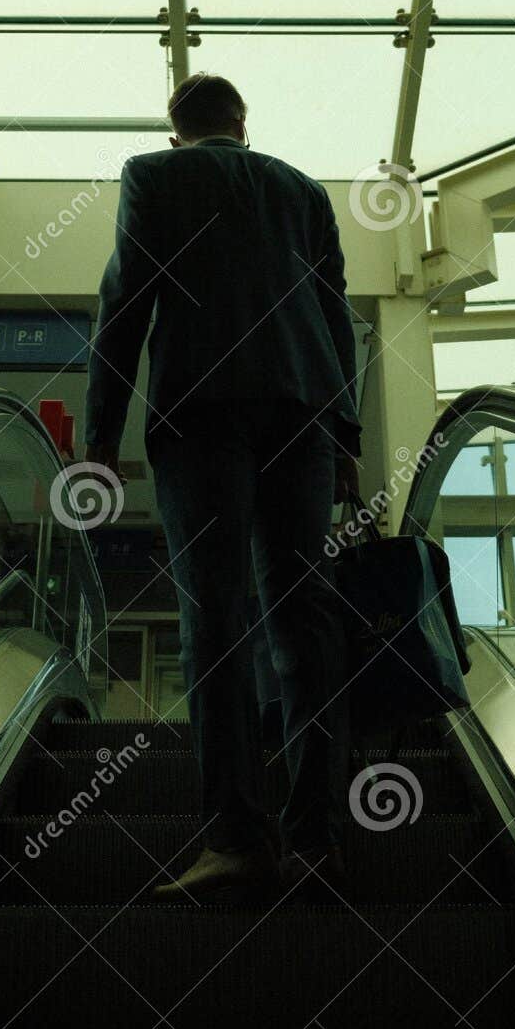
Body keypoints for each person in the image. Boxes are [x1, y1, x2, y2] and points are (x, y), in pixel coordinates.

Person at [84, 73, 360, 904]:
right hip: (304, 416)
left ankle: (239, 839)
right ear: (244, 126)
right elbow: (333, 310)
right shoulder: (301, 191)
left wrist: (99, 441)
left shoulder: (153, 176)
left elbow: (124, 304)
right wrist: (344, 435)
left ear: (176, 133)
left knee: (216, 618)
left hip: (202, 412)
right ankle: (317, 842)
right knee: (303, 620)